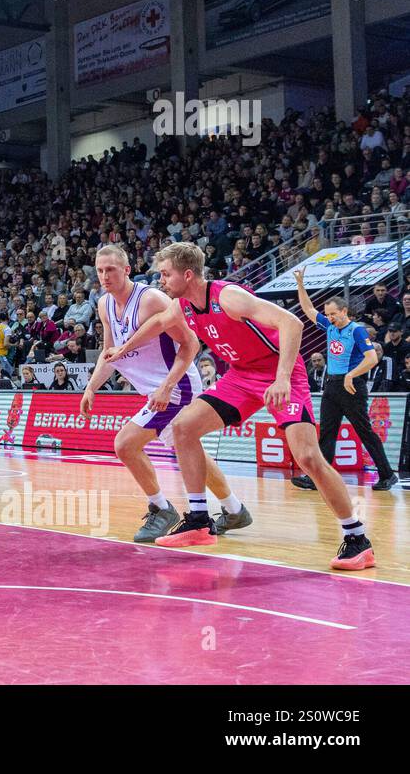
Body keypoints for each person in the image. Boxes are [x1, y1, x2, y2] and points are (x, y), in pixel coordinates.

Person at [105, 242, 374, 570]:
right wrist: (122, 348)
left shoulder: (228, 297)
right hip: (241, 377)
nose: (160, 280)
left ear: (187, 274)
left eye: (165, 274)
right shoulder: (183, 304)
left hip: (277, 372)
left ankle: (357, 539)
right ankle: (199, 520)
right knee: (183, 427)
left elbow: (292, 324)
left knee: (307, 458)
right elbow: (158, 323)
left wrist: (283, 378)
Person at [81, 245, 248, 543]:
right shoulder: (104, 304)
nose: (104, 276)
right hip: (156, 391)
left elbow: (191, 345)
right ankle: (234, 509)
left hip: (176, 386)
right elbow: (111, 355)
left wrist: (167, 385)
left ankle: (162, 508)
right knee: (190, 452)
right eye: (100, 270)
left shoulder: (151, 300)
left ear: (127, 269)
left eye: (111, 270)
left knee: (125, 445)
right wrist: (91, 387)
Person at [291, 271, 398, 491]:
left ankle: (387, 474)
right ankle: (317, 478)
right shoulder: (330, 327)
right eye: (327, 314)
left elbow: (372, 358)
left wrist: (351, 374)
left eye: (333, 314)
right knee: (327, 432)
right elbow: (308, 310)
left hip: (351, 387)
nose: (330, 318)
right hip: (331, 386)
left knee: (364, 431)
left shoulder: (357, 330)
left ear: (344, 311)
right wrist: (300, 284)